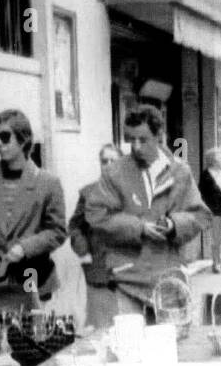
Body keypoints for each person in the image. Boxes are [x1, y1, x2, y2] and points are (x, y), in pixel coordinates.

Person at [83, 105, 208, 306]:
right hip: (127, 281)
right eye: (131, 139)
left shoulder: (180, 172)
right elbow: (96, 215)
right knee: (130, 337)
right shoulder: (114, 173)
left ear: (159, 136)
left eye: (143, 139)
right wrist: (139, 228)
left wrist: (174, 225)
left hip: (169, 280)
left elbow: (200, 215)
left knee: (167, 338)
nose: (136, 147)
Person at [0, 108, 67, 323]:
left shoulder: (48, 183)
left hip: (34, 274)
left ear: (23, 140)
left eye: (5, 137)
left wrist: (26, 247)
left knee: (36, 340)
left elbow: (58, 231)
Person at [69, 143, 126, 328]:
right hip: (98, 271)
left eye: (113, 160)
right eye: (104, 161)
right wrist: (82, 248)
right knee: (100, 329)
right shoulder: (88, 193)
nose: (108, 164)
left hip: (128, 273)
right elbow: (75, 226)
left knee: (128, 327)